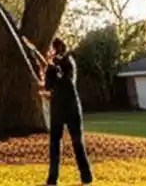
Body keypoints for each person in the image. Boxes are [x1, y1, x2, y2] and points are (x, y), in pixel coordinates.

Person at [40, 37, 92, 185]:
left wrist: (56, 70)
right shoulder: (51, 66)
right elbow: (49, 87)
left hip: (71, 107)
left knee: (77, 143)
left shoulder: (69, 62)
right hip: (57, 109)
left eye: (53, 49)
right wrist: (47, 78)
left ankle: (86, 177)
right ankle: (52, 179)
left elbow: (68, 81)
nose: (51, 52)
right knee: (54, 144)